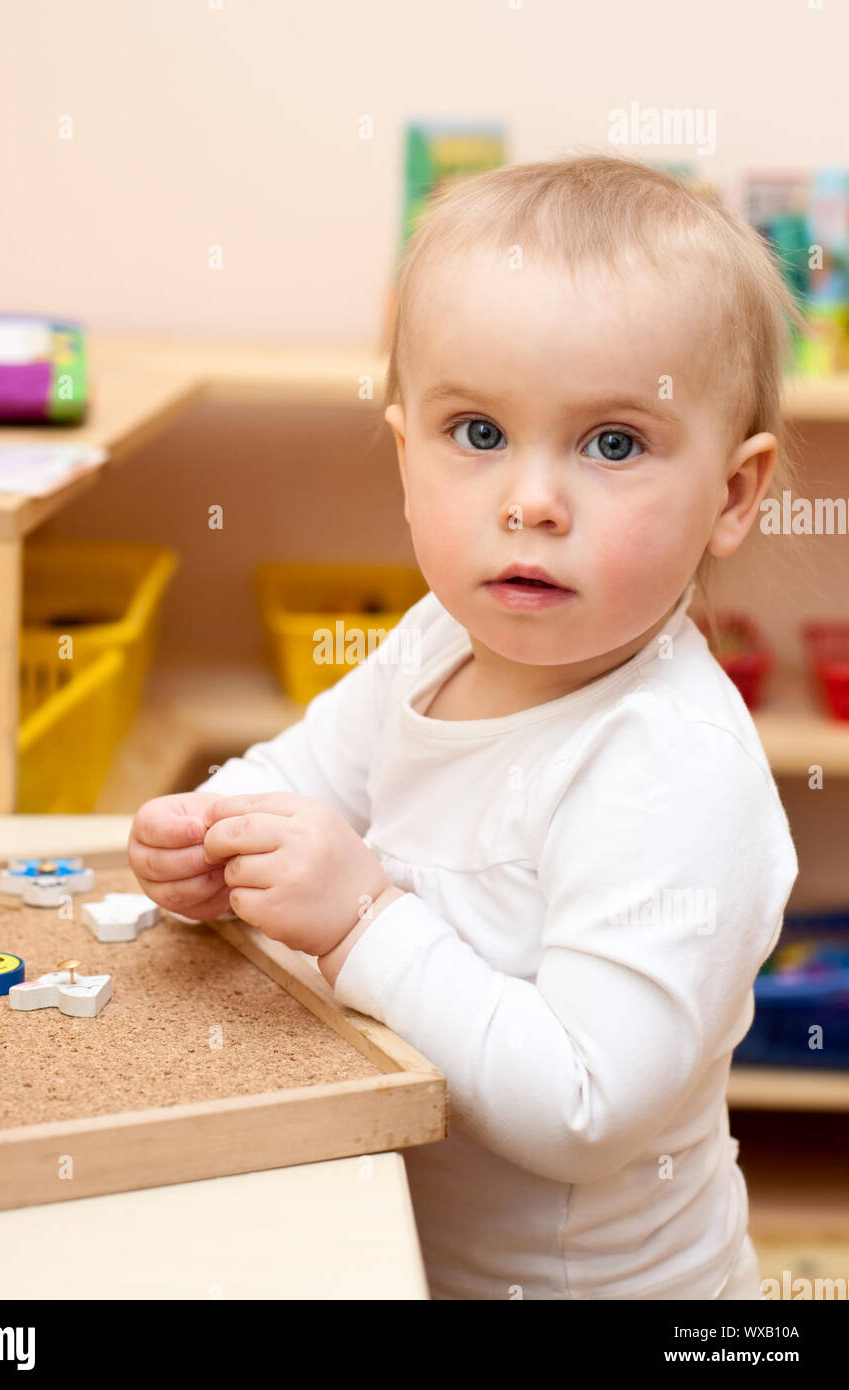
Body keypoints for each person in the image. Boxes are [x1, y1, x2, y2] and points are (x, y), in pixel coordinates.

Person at [128, 154, 802, 1299]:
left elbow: (583, 1105)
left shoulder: (668, 770)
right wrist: (208, 829)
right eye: (477, 433)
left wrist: (360, 920)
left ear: (732, 496)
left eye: (612, 443)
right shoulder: (437, 637)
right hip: (402, 1248)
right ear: (404, 456)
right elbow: (301, 774)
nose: (528, 501)